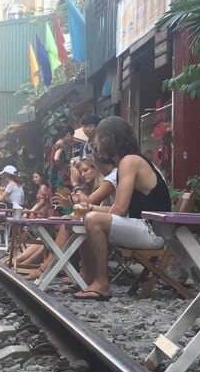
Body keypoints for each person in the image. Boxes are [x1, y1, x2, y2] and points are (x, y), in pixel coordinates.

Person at [74, 116, 172, 301]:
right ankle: (88, 276)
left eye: (98, 137)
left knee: (93, 220)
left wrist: (94, 215)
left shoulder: (129, 161)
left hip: (153, 233)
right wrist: (91, 210)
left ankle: (101, 284)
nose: (94, 143)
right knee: (90, 216)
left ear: (107, 139)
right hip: (150, 228)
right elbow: (121, 211)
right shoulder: (130, 161)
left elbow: (119, 209)